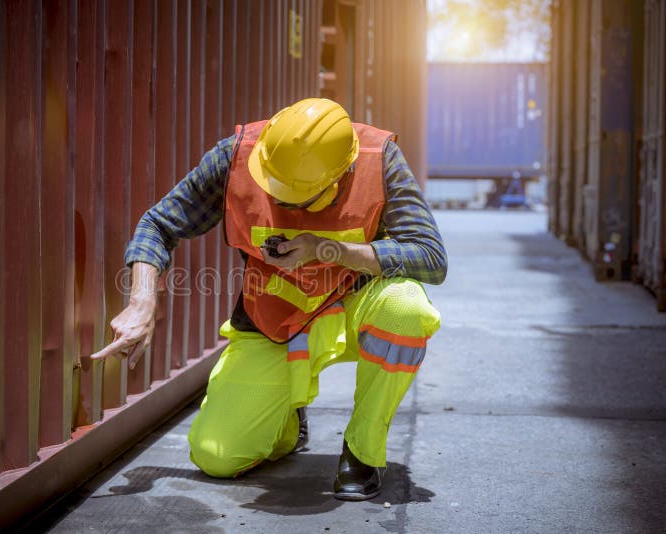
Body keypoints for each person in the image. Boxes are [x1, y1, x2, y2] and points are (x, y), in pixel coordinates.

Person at [91, 98, 446, 500]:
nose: (278, 203)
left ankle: (362, 451)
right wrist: (141, 302)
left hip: (355, 305)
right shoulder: (235, 156)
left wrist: (327, 249)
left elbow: (430, 257)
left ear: (341, 175)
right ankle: (288, 423)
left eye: (294, 199)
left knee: (405, 309)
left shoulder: (378, 160)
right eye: (272, 189)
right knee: (217, 456)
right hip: (275, 317)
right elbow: (158, 224)